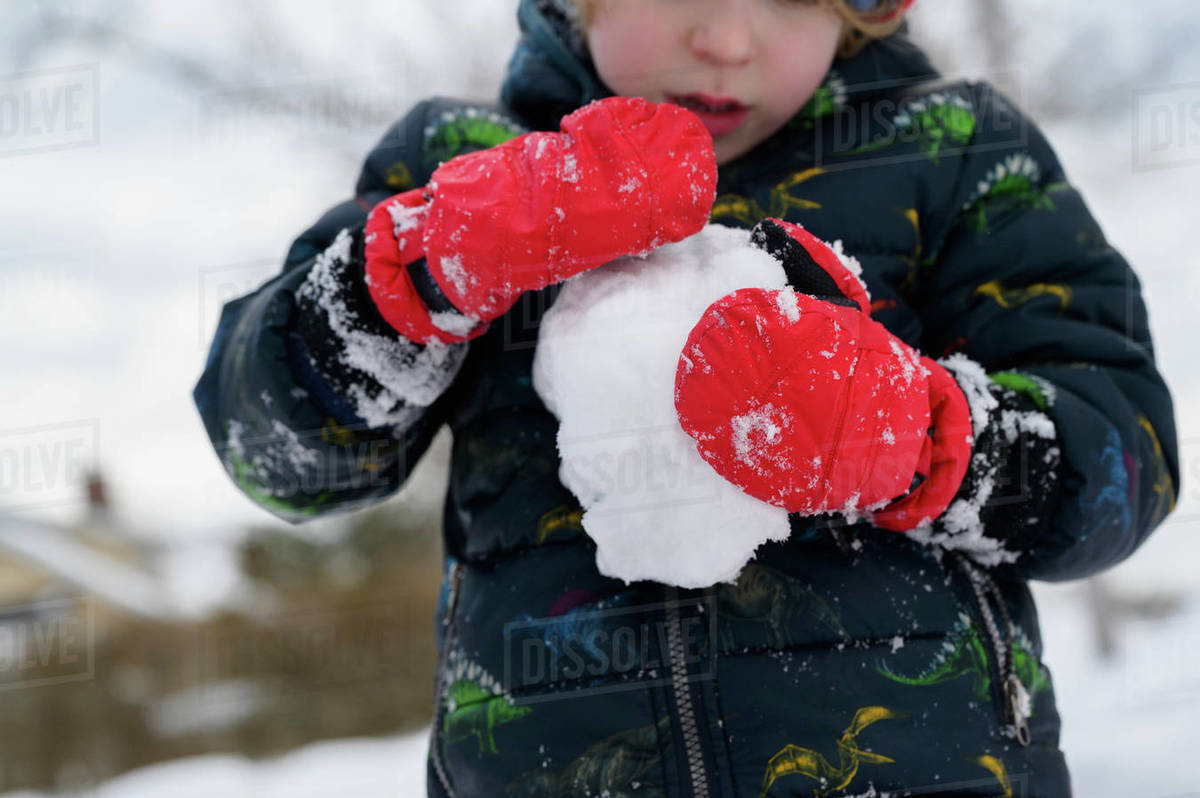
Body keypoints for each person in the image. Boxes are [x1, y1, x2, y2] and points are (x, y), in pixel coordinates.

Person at [192, 0, 1179, 794]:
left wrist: (925, 439)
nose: (728, 38)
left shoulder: (953, 154)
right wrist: (411, 275)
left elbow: (1122, 449)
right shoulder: (467, 168)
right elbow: (278, 448)